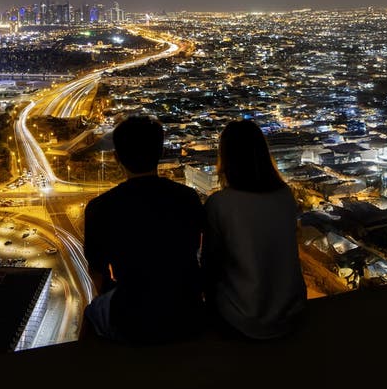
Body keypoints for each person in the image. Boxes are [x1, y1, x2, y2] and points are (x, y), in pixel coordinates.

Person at [83, 115, 205, 343]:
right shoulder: (187, 198)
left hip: (132, 317)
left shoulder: (100, 208)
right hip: (187, 311)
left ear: (117, 157)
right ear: (160, 153)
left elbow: (97, 272)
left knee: (91, 314)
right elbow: (198, 252)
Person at [202, 119, 307, 340]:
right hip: (292, 313)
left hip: (243, 317)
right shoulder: (285, 196)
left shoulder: (220, 203)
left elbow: (210, 265)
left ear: (226, 157)